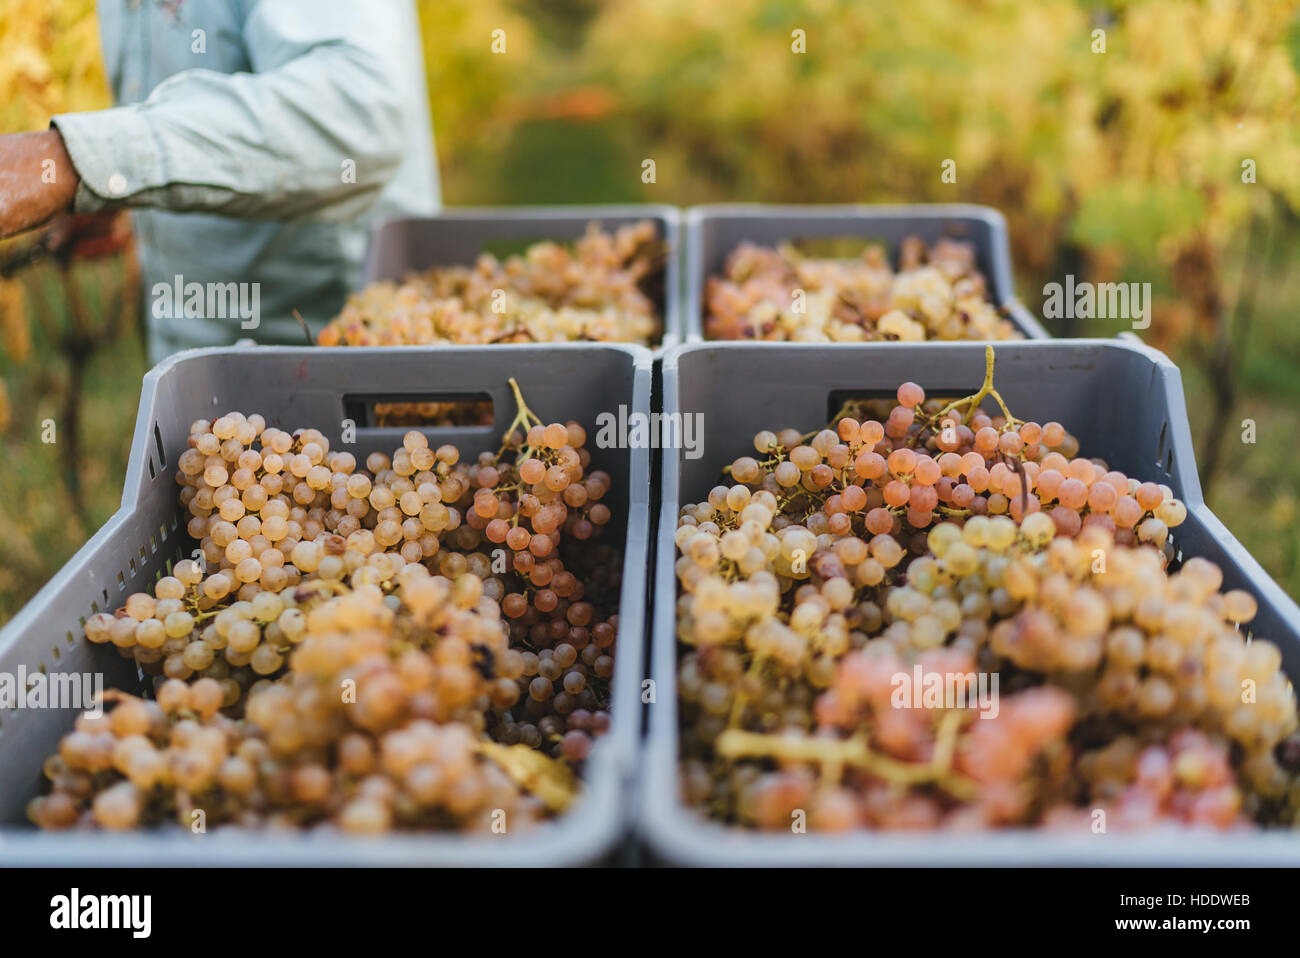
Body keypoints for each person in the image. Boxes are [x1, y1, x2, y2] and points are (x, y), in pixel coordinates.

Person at [0, 0, 439, 362]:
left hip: (342, 361)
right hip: (200, 379)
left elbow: (357, 114)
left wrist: (71, 159)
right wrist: (115, 187)